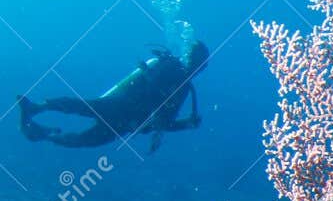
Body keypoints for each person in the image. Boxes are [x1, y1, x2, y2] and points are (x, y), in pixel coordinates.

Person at [18, 38, 208, 151]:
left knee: (86, 134)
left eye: (199, 65)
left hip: (125, 120)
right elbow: (152, 96)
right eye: (196, 62)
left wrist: (185, 124)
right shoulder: (171, 69)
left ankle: (43, 131)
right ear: (190, 58)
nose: (196, 68)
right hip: (120, 108)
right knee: (81, 111)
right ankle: (36, 110)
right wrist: (176, 124)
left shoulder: (184, 88)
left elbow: (164, 121)